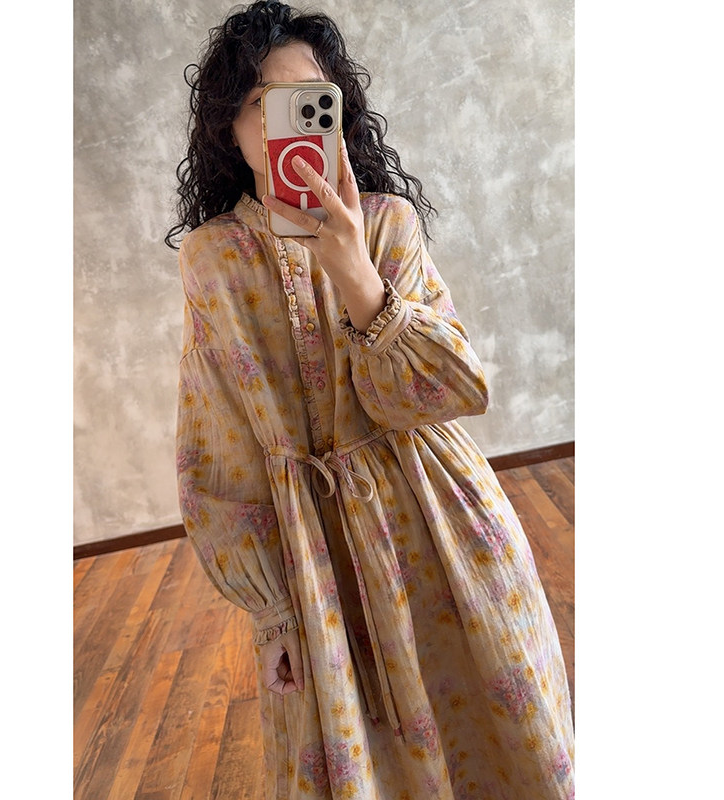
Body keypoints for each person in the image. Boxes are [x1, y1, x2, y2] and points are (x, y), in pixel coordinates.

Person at [167, 2, 575, 798]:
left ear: (335, 112)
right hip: (319, 566)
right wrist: (272, 611)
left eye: (305, 101)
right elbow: (215, 440)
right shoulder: (211, 260)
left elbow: (453, 388)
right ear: (228, 127)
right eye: (259, 103)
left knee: (503, 740)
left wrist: (357, 275)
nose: (281, 124)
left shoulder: (387, 224)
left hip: (442, 526)